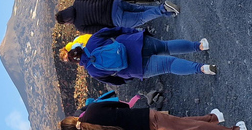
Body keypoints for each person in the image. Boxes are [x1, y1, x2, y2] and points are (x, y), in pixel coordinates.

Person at [60, 101, 247, 130]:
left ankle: (213, 119)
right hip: (143, 119)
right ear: (72, 118)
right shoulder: (92, 109)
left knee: (180, 127)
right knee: (185, 129)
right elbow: (121, 105)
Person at [65, 27, 216, 84]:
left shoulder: (93, 72)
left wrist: (129, 76)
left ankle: (202, 68)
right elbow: (114, 30)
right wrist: (134, 32)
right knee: (166, 46)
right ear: (78, 48)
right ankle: (200, 46)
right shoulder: (92, 41)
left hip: (136, 68)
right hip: (134, 43)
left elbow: (114, 80)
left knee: (169, 65)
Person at [55, 0, 179, 34]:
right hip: (114, 3)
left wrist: (115, 30)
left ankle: (163, 8)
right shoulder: (78, 1)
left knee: (141, 18)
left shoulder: (79, 26)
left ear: (66, 22)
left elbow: (100, 29)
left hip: (114, 19)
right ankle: (166, 12)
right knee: (139, 9)